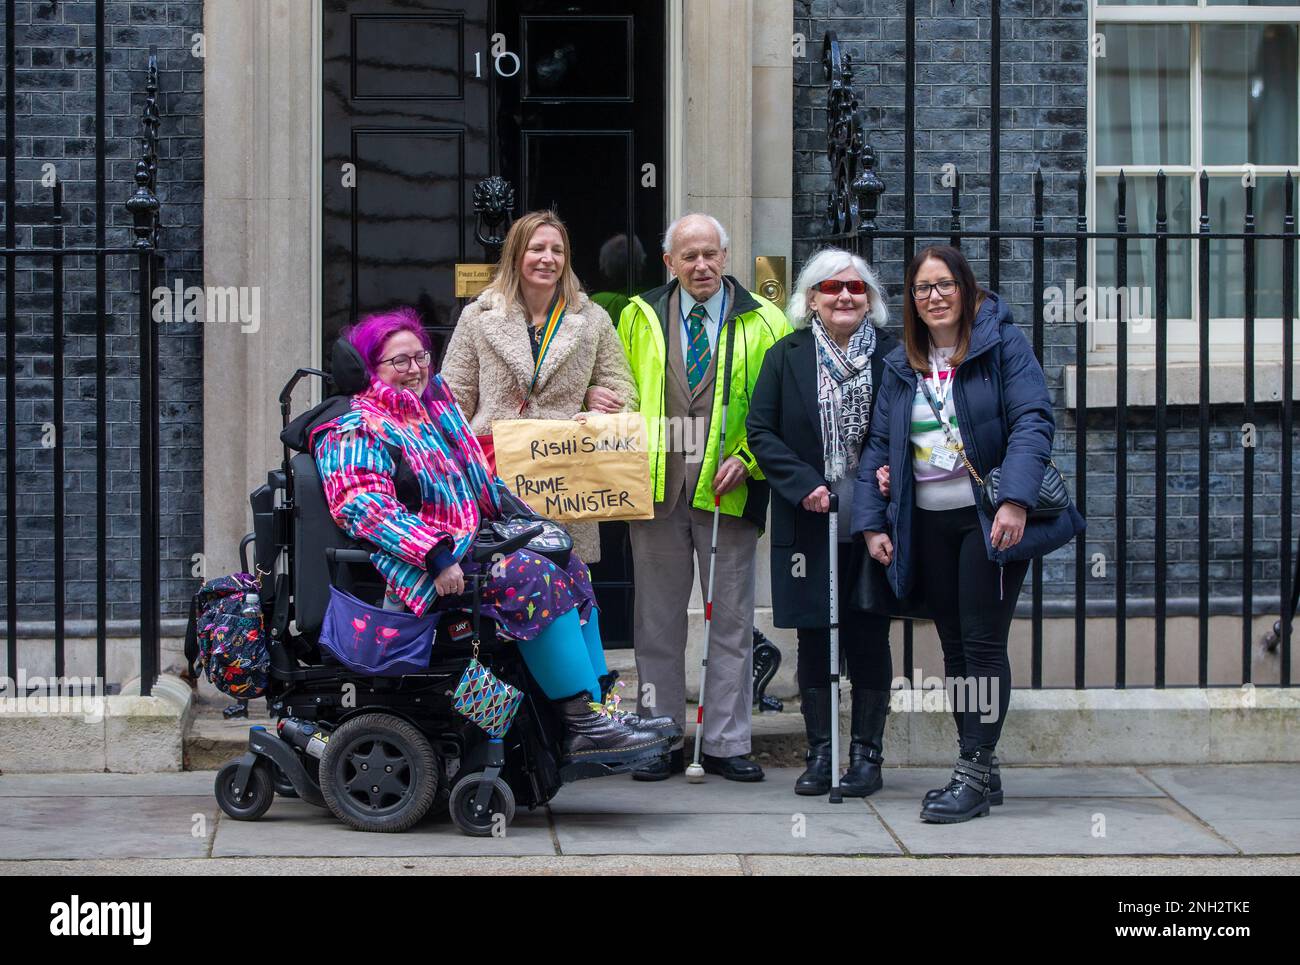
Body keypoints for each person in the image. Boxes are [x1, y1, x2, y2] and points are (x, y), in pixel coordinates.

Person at [312, 307, 676, 765]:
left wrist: (535, 526)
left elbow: (483, 485)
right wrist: (435, 555)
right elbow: (363, 507)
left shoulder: (433, 411)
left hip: (471, 546)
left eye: (421, 357)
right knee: (532, 577)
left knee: (568, 563)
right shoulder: (356, 426)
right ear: (371, 370)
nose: (414, 370)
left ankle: (599, 713)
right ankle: (582, 723)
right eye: (398, 362)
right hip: (419, 568)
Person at [855, 245, 1084, 823]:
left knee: (982, 645)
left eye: (944, 285)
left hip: (989, 521)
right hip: (926, 521)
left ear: (966, 288)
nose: (934, 297)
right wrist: (871, 522)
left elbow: (1034, 420)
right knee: (953, 649)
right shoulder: (901, 361)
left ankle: (973, 771)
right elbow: (880, 446)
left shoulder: (1000, 343)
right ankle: (982, 767)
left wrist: (1014, 501)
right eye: (922, 288)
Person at [616, 213, 791, 781]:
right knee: (655, 622)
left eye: (711, 254)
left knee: (731, 622)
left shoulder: (765, 321)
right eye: (689, 256)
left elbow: (784, 404)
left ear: (726, 255)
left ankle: (726, 742)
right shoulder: (638, 316)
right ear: (669, 262)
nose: (702, 265)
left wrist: (750, 459)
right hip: (658, 489)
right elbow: (619, 390)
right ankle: (657, 736)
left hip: (729, 491)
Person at [747, 248, 896, 797]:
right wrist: (803, 482)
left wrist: (890, 472)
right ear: (810, 299)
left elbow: (911, 427)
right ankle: (821, 753)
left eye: (856, 289)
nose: (844, 297)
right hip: (807, 521)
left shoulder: (892, 357)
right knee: (815, 639)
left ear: (870, 300)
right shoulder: (784, 357)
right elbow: (761, 431)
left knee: (868, 638)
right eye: (831, 288)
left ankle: (866, 757)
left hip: (873, 520)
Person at [441, 209, 639, 565]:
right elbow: (452, 402)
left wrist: (594, 407)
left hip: (564, 483)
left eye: (557, 251)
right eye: (537, 249)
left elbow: (623, 391)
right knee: (496, 592)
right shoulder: (477, 316)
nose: (548, 259)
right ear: (517, 256)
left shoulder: (592, 319)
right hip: (493, 479)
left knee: (565, 594)